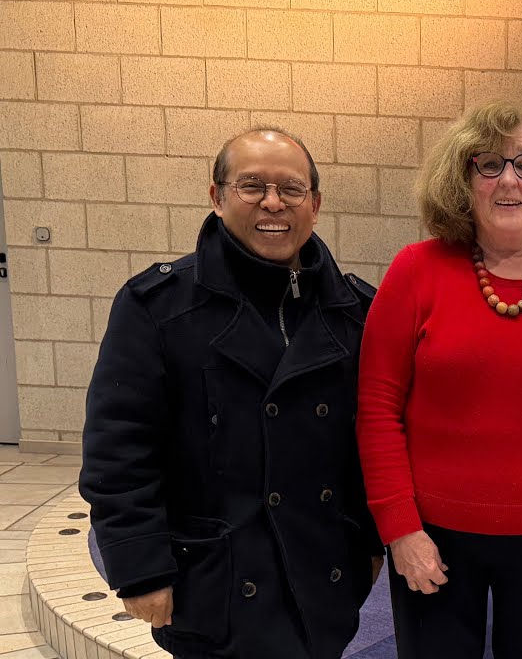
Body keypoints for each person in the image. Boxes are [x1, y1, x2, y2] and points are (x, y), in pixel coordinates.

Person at [80, 128, 384, 659]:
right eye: (252, 186)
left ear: (315, 204)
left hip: (324, 573)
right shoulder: (157, 306)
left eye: (291, 189)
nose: (273, 203)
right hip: (218, 578)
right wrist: (140, 567)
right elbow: (119, 448)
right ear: (217, 198)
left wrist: (370, 540)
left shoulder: (355, 312)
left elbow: (371, 441)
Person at [355, 100, 522, 659]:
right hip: (432, 537)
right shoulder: (415, 271)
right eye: (489, 164)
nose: (509, 179)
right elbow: (378, 408)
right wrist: (399, 528)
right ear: (464, 180)